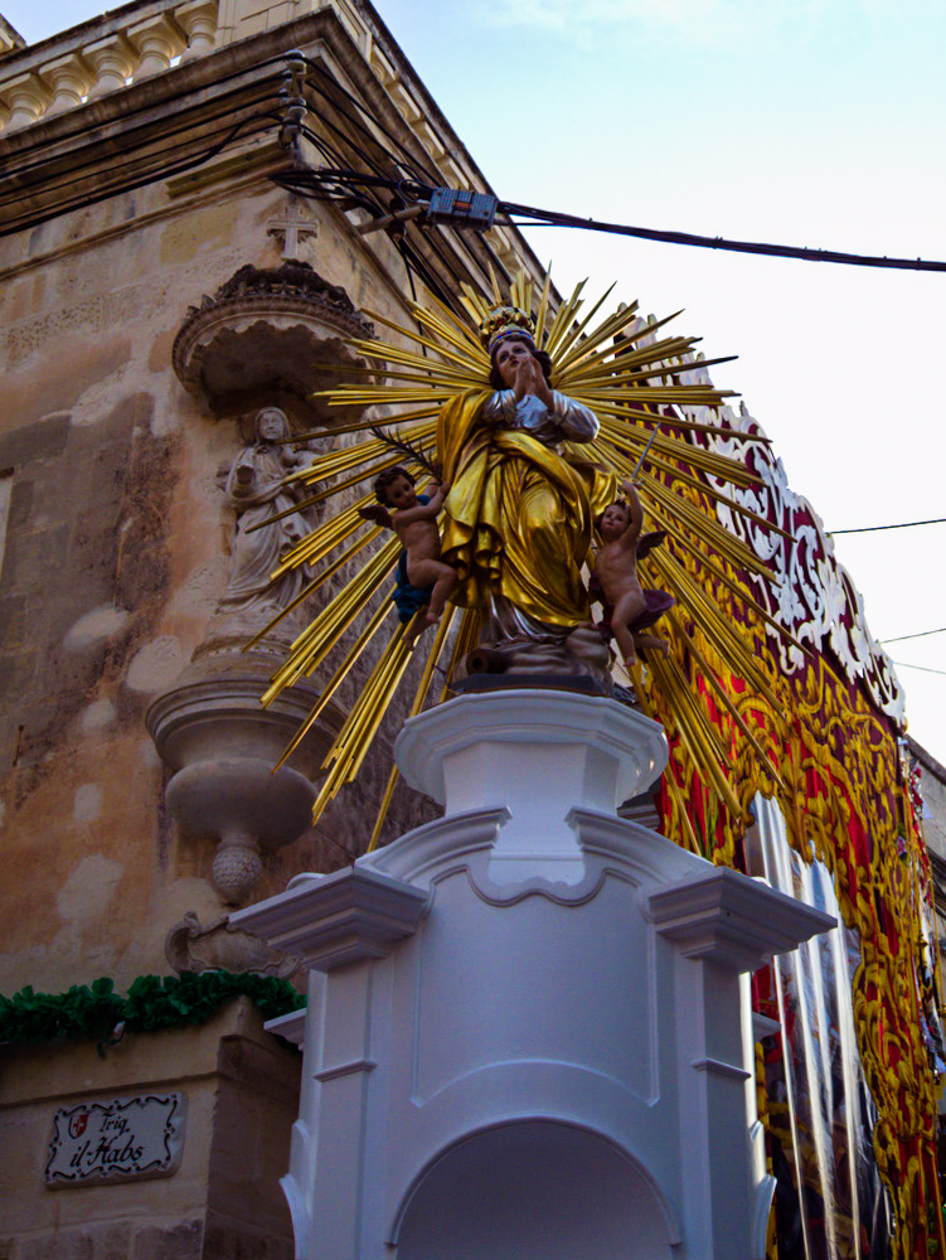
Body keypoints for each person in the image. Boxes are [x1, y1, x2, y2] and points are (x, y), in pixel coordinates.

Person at [437, 306, 618, 641]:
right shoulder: (495, 401)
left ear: (536, 359)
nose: (513, 359)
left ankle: (564, 618)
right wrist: (518, 392)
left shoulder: (553, 402)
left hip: (547, 481)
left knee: (540, 525)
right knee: (502, 551)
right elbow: (470, 417)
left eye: (519, 351)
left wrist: (546, 395)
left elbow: (588, 429)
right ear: (498, 371)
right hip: (500, 489)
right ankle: (511, 631)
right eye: (504, 357)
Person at [216, 407, 315, 629]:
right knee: (248, 549)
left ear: (285, 429)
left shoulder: (292, 457)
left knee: (284, 559)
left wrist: (296, 481)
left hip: (284, 513)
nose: (270, 425)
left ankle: (274, 606)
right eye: (265, 422)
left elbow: (307, 487)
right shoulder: (249, 454)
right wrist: (243, 480)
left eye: (276, 422)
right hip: (257, 514)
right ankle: (236, 605)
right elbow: (237, 494)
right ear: (258, 429)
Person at [366, 467, 456, 646]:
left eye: (407, 487)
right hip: (418, 566)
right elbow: (432, 511)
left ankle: (410, 634)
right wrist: (443, 492)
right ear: (390, 502)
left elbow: (431, 487)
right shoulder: (400, 518)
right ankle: (432, 612)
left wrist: (439, 467)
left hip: (430, 562)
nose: (406, 495)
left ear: (411, 482)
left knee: (437, 604)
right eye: (398, 495)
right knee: (448, 575)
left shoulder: (421, 501)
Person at [592, 480, 673, 668]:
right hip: (614, 604)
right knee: (629, 634)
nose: (612, 519)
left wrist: (631, 492)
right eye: (608, 515)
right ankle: (659, 644)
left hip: (631, 597)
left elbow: (638, 521)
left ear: (626, 527)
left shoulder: (625, 544)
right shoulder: (599, 555)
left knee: (618, 624)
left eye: (619, 518)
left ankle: (629, 658)